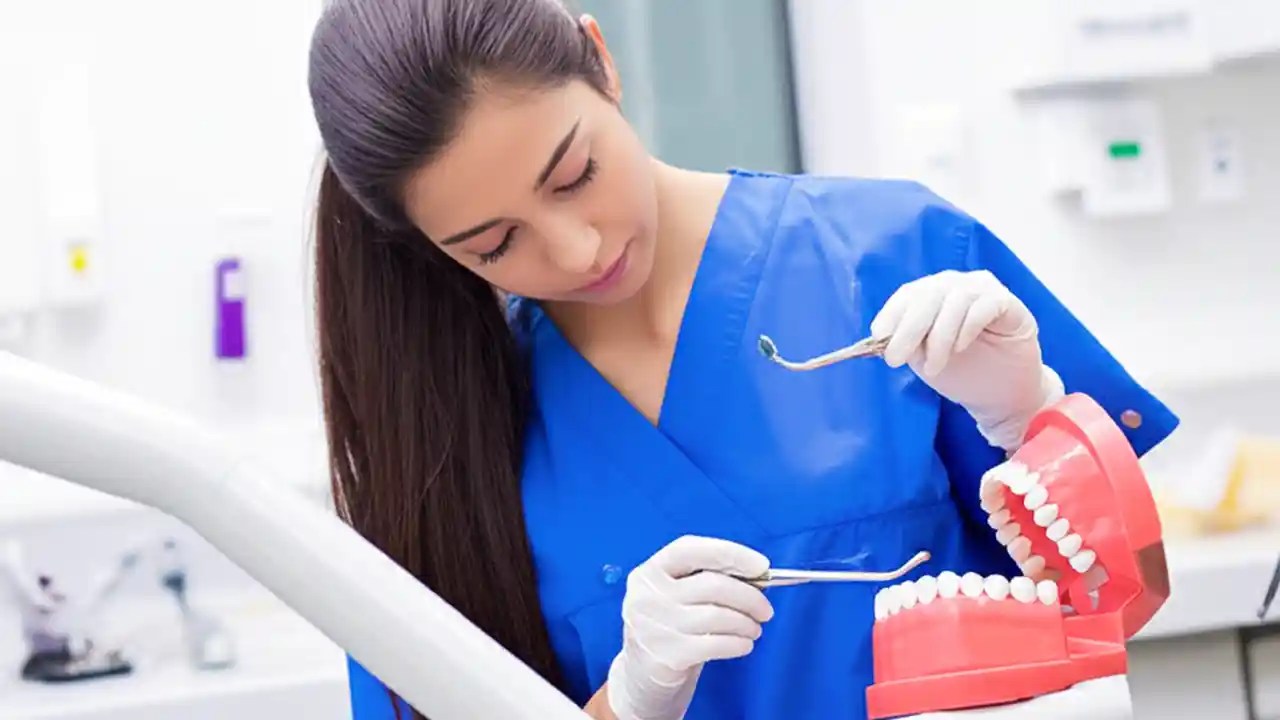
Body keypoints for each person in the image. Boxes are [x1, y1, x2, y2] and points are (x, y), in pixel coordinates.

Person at [305, 1, 1178, 718]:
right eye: (495, 245)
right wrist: (629, 700)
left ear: (600, 61)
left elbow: (1126, 599)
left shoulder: (891, 253)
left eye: (573, 176)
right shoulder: (440, 456)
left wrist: (1027, 420)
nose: (575, 251)